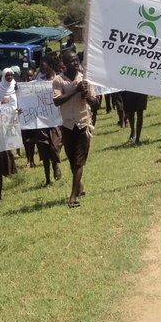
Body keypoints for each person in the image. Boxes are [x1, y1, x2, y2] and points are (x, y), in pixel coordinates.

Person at [52, 50, 99, 207]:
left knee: (79, 161)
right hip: (67, 125)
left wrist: (88, 96)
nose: (75, 63)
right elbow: (58, 101)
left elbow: (95, 104)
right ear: (64, 64)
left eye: (76, 61)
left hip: (83, 124)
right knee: (72, 159)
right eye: (71, 61)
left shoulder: (85, 79)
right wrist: (75, 90)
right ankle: (79, 186)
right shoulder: (58, 80)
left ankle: (73, 197)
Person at [32, 54, 64, 186]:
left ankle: (55, 164)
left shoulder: (59, 80)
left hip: (57, 120)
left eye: (43, 65)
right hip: (42, 121)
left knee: (55, 146)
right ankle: (47, 179)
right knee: (44, 149)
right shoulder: (38, 83)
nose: (40, 68)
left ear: (50, 66)